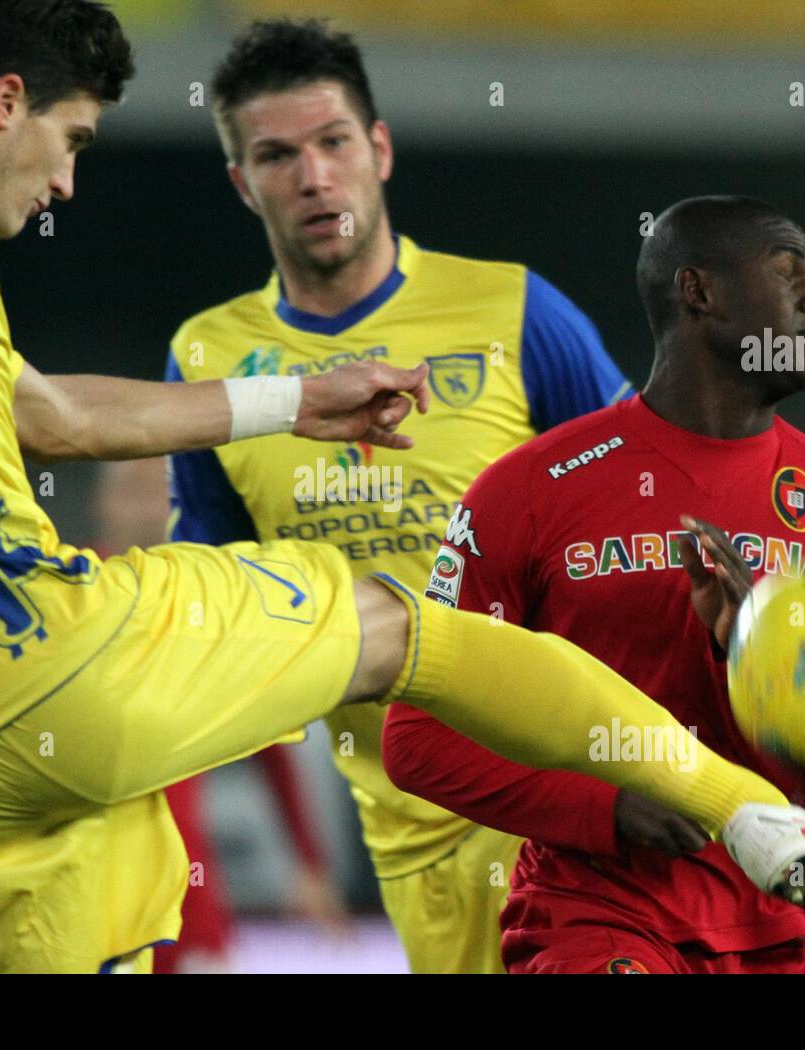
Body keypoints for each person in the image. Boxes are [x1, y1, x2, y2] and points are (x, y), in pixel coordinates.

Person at [0, 0, 805, 973]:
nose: (66, 183)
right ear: (6, 103)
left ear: (376, 150)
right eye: (73, 141)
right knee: (394, 621)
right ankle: (754, 819)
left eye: (332, 142)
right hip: (43, 664)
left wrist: (297, 399)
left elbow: (49, 414)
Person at [166, 17, 630, 973]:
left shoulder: (513, 309)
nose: (312, 176)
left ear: (378, 149)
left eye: (333, 142)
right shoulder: (204, 358)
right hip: (405, 823)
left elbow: (647, 493)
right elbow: (217, 594)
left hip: (568, 790)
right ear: (241, 183)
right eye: (277, 155)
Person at [383, 196, 805, 972]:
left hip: (766, 936)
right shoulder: (530, 488)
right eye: (787, 270)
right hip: (592, 914)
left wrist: (751, 654)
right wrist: (604, 806)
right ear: (699, 291)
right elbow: (416, 740)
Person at [92, 459, 348, 974]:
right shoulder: (66, 603)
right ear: (103, 503)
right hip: (84, 893)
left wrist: (308, 865)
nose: (148, 509)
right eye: (134, 491)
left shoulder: (202, 610)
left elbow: (269, 742)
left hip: (188, 900)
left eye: (160, 494)